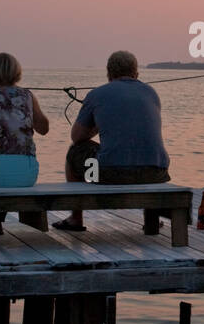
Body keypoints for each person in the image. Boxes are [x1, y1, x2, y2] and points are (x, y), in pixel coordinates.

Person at [54, 50, 170, 232]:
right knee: (143, 152)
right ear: (136, 73)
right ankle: (151, 221)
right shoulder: (151, 93)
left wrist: (99, 124)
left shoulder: (97, 94)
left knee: (74, 152)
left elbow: (76, 137)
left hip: (112, 173)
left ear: (108, 74)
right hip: (157, 172)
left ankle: (76, 217)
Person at [0, 52, 50, 234]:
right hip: (25, 175)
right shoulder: (27, 96)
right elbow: (44, 129)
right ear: (16, 72)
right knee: (12, 168)